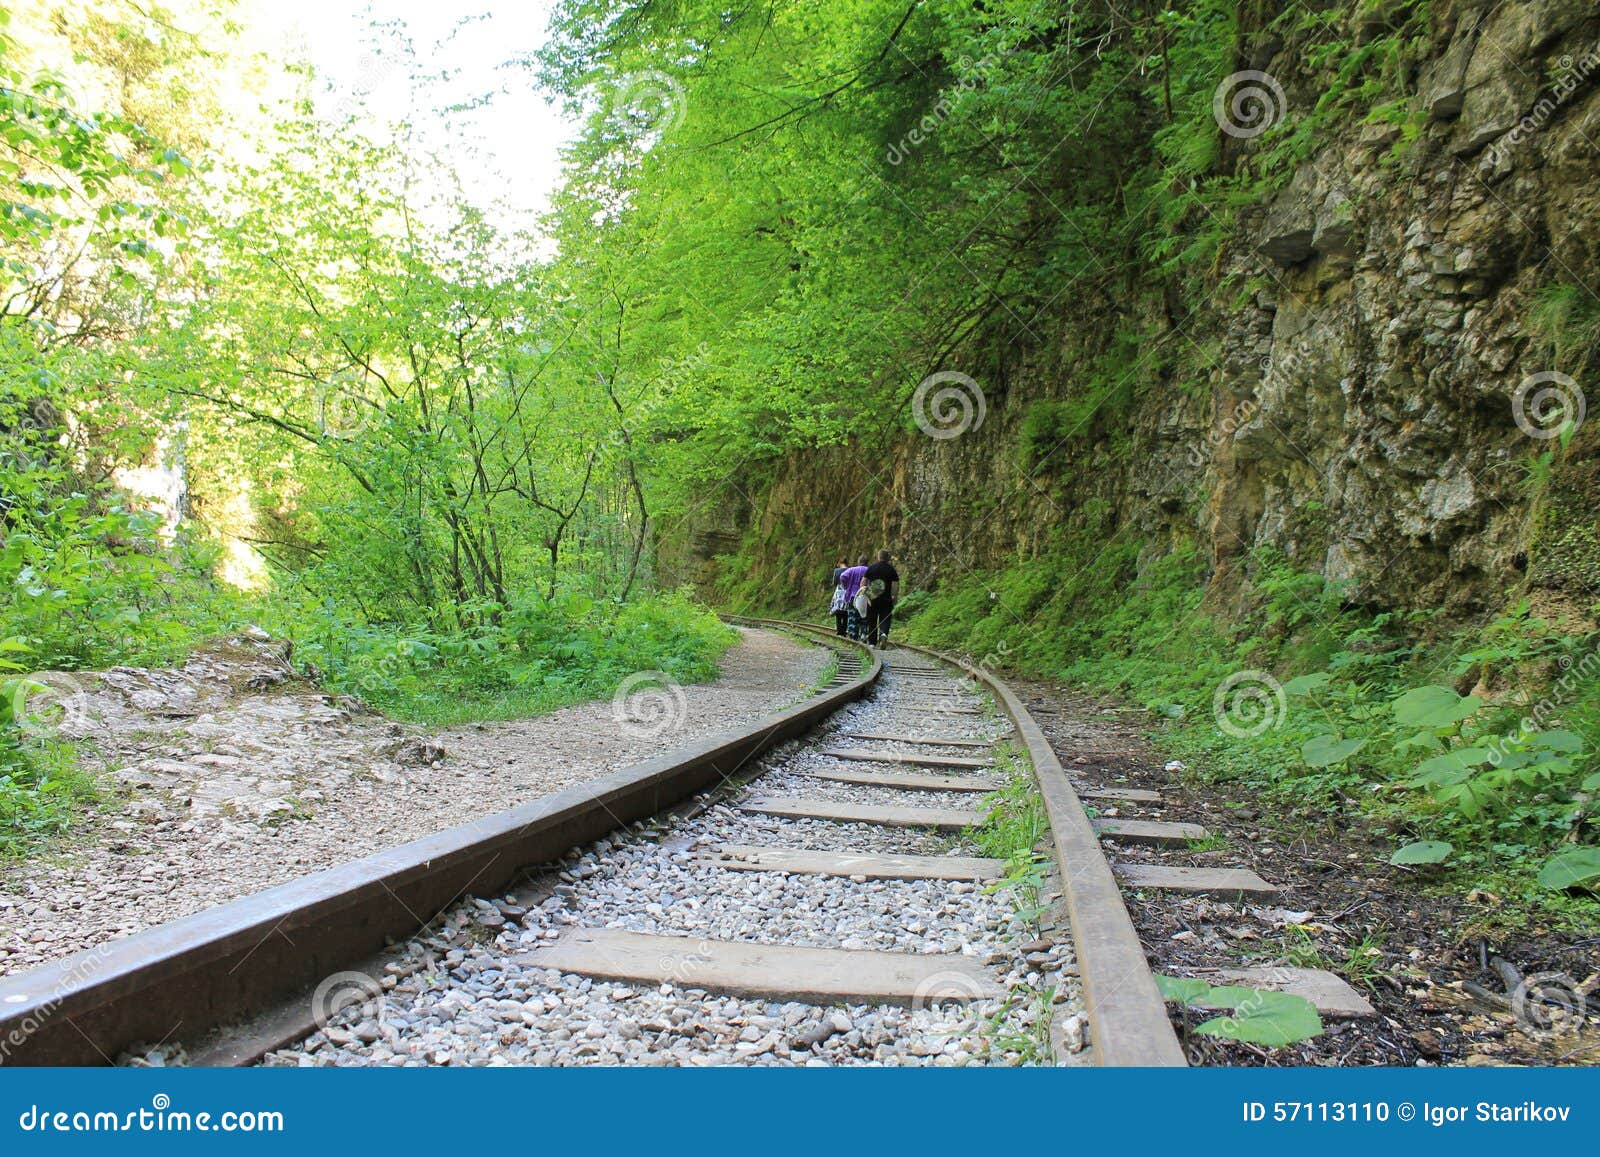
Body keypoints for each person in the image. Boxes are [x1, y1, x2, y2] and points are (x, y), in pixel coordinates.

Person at [862, 549, 899, 646]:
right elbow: (895, 585)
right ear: (887, 558)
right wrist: (894, 596)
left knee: (872, 620)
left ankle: (872, 643)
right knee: (885, 618)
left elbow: (863, 582)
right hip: (886, 598)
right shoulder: (891, 569)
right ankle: (883, 634)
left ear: (878, 557)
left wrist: (866, 593)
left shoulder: (871, 568)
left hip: (872, 598)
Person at [839, 555, 869, 640]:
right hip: (865, 596)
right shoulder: (869, 570)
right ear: (867, 562)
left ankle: (853, 635)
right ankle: (864, 634)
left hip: (853, 596)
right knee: (864, 616)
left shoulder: (852, 569)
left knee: (853, 616)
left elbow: (842, 576)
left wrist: (846, 586)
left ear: (858, 561)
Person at [827, 557, 849, 636]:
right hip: (847, 591)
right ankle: (844, 631)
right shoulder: (850, 570)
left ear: (840, 563)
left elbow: (834, 582)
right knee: (846, 612)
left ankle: (839, 631)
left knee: (838, 611)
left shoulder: (837, 571)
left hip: (839, 592)